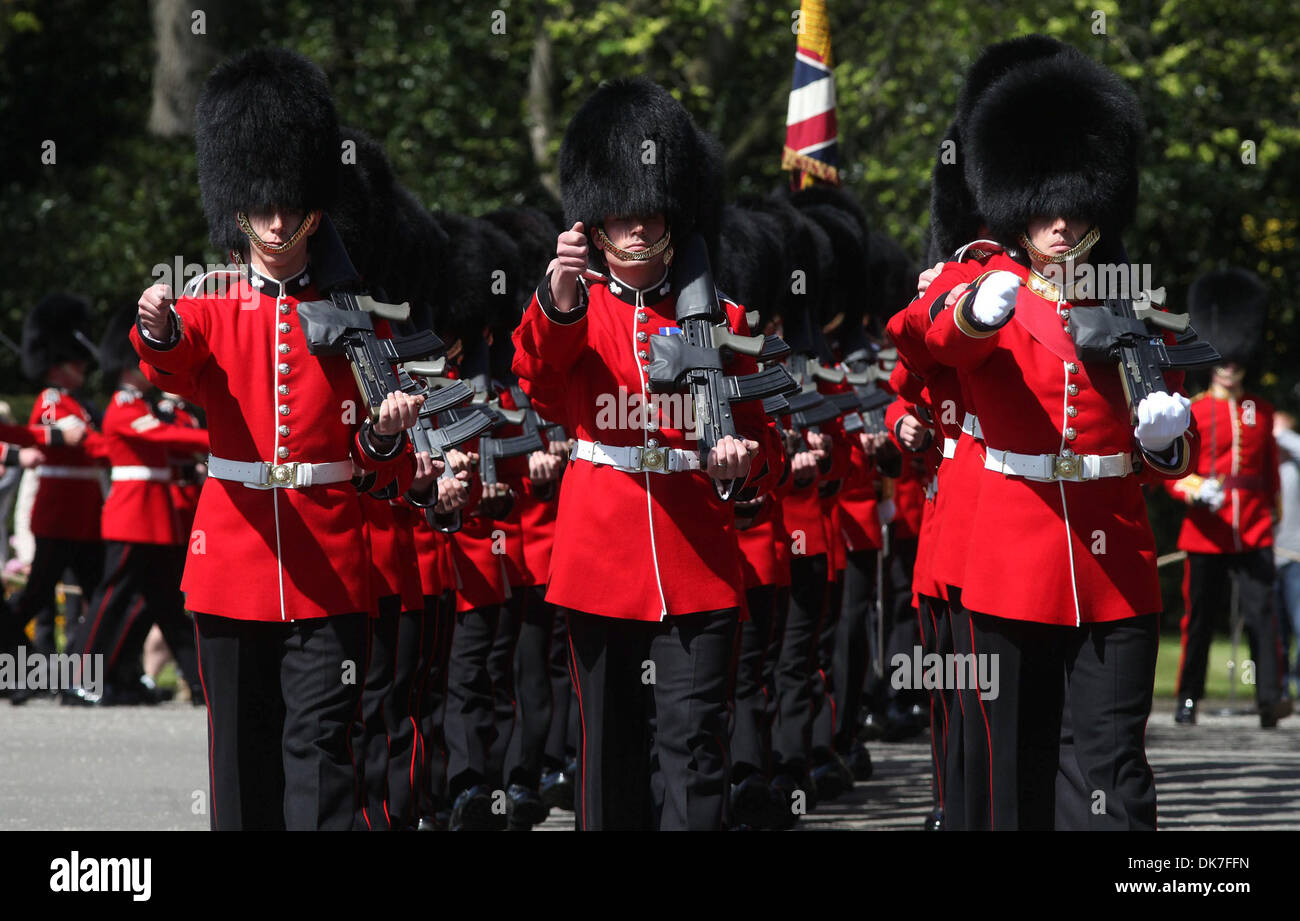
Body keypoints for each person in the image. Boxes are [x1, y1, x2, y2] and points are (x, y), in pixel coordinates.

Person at [132, 48, 423, 830]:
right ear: (238, 212)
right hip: (233, 558)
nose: (274, 219)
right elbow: (175, 364)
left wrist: (392, 433)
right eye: (259, 206)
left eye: (288, 203)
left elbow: (379, 452)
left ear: (313, 210)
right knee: (240, 755)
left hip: (328, 564)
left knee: (324, 748)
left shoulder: (358, 322)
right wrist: (155, 326)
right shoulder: (213, 305)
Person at [920, 37, 1195, 830]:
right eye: (1046, 204)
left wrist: (1168, 439)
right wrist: (975, 314)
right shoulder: (979, 281)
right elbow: (930, 334)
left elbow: (1165, 438)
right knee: (1012, 769)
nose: (1065, 221)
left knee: (1113, 771)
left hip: (1114, 561)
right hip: (1013, 554)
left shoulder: (1137, 301)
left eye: (1079, 204)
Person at [511, 77, 778, 830]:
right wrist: (558, 300)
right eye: (617, 214)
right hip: (600, 556)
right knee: (609, 754)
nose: (633, 228)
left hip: (696, 555)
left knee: (694, 747)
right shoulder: (575, 309)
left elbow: (770, 444)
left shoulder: (722, 319)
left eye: (646, 212)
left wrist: (742, 463)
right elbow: (535, 378)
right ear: (594, 222)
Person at [68, 308, 210, 705]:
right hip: (133, 519)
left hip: (154, 519)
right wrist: (216, 436)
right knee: (110, 602)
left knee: (163, 605)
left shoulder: (142, 406)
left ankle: (193, 683)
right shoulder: (124, 406)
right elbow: (166, 437)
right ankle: (82, 677)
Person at [1168, 268, 1288, 727]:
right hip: (1206, 530)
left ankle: (1270, 699)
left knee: (1263, 617)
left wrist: (1273, 515)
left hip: (1254, 526)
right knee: (1199, 621)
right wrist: (1195, 490)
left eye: (1235, 357)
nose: (1228, 364)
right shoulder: (1195, 409)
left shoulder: (1262, 410)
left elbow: (1269, 474)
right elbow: (1173, 472)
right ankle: (1188, 698)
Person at [4, 294, 107, 666]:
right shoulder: (51, 399)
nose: (82, 366)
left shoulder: (75, 402)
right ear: (57, 366)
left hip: (83, 516)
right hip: (59, 514)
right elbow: (44, 435)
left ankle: (82, 668)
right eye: (74, 362)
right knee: (36, 596)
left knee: (98, 596)